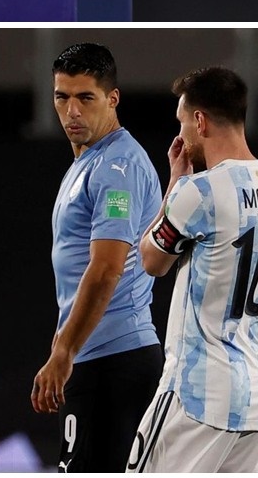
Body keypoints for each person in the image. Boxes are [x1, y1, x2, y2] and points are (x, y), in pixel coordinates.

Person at [127, 66, 258, 473]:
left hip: (198, 394)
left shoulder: (200, 191)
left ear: (200, 120)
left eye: (183, 121)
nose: (182, 133)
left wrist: (175, 182)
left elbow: (151, 261)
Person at [31, 43, 164, 473]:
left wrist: (64, 351)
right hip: (102, 357)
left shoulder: (117, 168)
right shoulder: (91, 161)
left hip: (113, 361)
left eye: (85, 97)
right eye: (61, 97)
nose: (71, 110)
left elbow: (107, 269)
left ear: (113, 98)